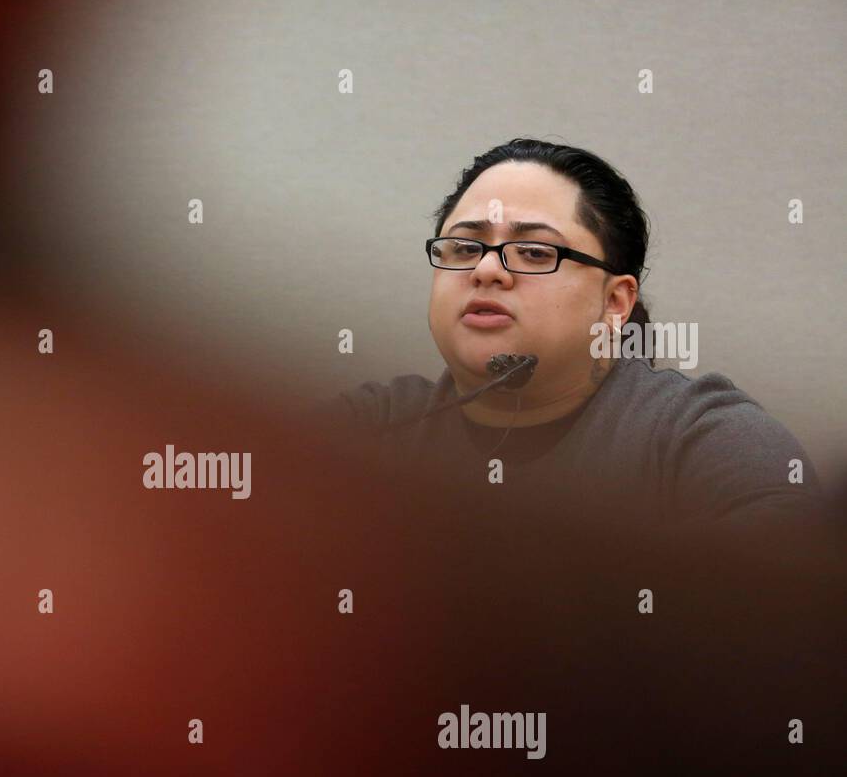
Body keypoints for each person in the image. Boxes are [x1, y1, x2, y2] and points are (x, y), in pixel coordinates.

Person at [332, 138, 825, 531]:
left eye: (535, 253)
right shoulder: (376, 424)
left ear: (615, 303)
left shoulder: (700, 438)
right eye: (464, 246)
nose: (486, 270)